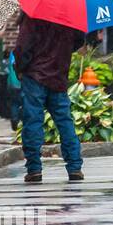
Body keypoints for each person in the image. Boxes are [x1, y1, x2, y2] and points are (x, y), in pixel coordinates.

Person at [15, 15, 85, 184]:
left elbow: (23, 47)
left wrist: (19, 68)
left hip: (34, 77)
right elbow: (79, 39)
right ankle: (74, 166)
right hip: (58, 76)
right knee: (65, 122)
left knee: (33, 121)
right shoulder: (69, 14)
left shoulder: (34, 15)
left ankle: (34, 169)